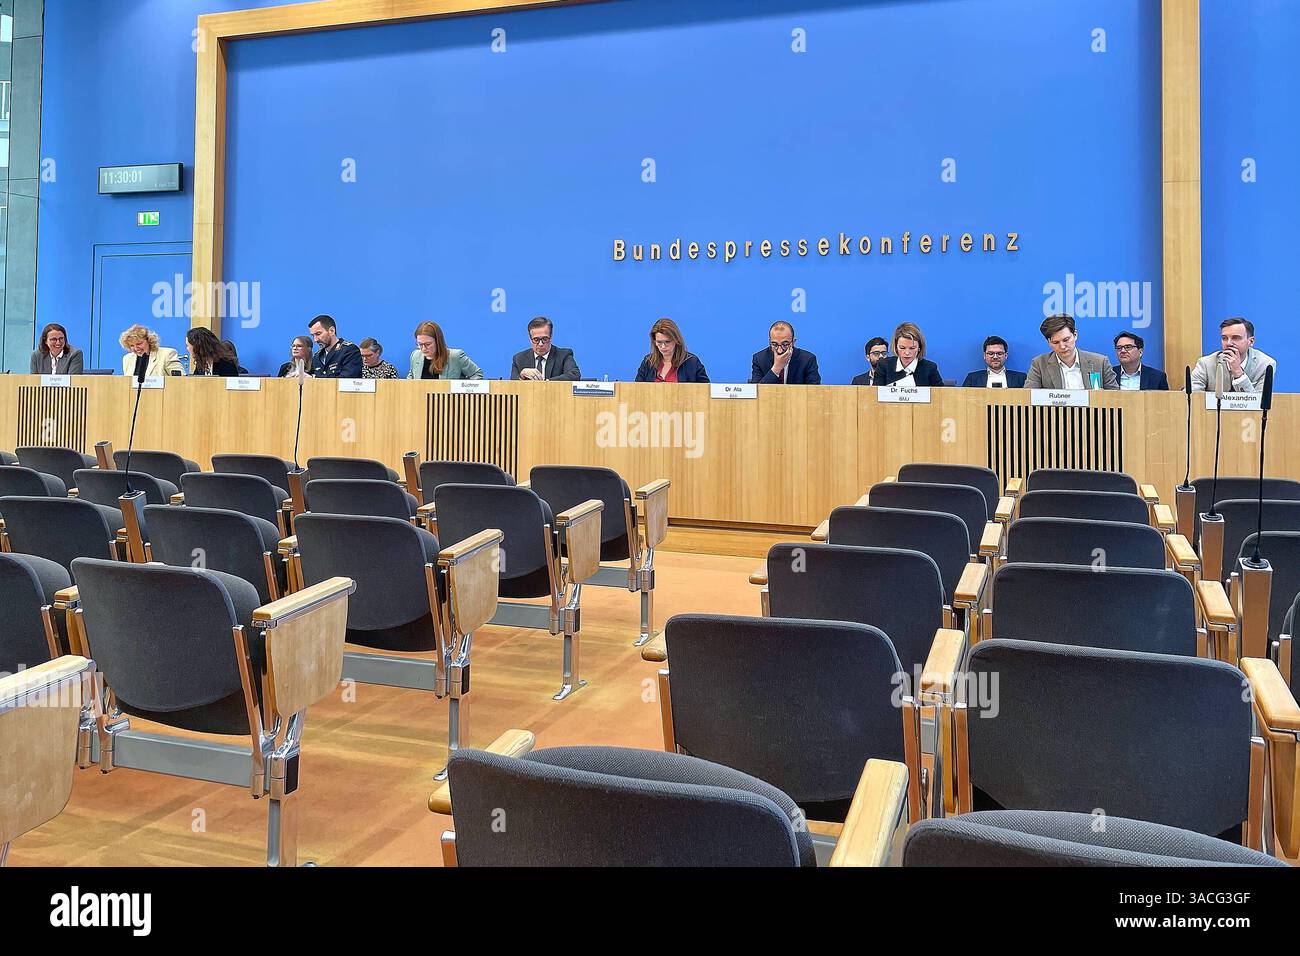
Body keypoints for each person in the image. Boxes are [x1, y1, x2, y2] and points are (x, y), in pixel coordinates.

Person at [1025, 314, 1118, 390]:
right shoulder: (1039, 364)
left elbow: (1116, 398)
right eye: (1055, 342)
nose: (1062, 346)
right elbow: (1028, 398)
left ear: (1075, 335)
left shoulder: (1100, 362)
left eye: (1066, 340)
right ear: (1048, 342)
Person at [1191, 317, 1277, 393]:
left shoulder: (1265, 365)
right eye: (1224, 338)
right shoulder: (1206, 364)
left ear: (1251, 341)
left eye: (1235, 338)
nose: (1228, 343)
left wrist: (1238, 372)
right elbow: (1191, 398)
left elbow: (1260, 406)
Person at [634, 318, 709, 383]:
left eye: (667, 342)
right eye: (659, 342)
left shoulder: (692, 362)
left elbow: (705, 391)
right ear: (654, 341)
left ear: (676, 340)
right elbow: (637, 390)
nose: (663, 346)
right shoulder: (648, 362)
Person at [749, 321, 821, 384]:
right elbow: (756, 392)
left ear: (793, 342)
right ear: (769, 342)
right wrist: (776, 368)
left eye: (785, 344)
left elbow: (814, 392)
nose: (780, 350)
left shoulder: (808, 360)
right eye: (775, 344)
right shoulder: (759, 359)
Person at [875, 322, 944, 387]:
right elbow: (874, 395)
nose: (907, 353)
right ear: (895, 347)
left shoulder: (930, 368)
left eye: (912, 348)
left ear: (919, 348)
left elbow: (941, 396)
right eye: (902, 348)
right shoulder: (884, 366)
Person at [510, 317, 581, 381]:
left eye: (545, 339)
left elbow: (574, 375)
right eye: (536, 339)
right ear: (530, 339)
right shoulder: (519, 358)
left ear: (551, 337)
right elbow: (511, 386)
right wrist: (521, 376)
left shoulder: (563, 355)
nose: (540, 344)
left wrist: (547, 383)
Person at [408, 322, 484, 380]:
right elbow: (409, 382)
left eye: (428, 344)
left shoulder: (456, 356)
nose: (423, 348)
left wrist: (463, 392)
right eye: (420, 344)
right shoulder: (415, 356)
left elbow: (477, 374)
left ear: (438, 341)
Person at [308, 314, 363, 379]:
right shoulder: (316, 356)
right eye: (313, 335)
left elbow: (347, 379)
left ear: (332, 331)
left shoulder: (349, 350)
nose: (315, 339)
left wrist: (314, 378)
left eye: (318, 334)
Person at [962, 335, 1026, 388]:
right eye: (991, 353)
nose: (995, 357)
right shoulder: (972, 378)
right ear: (984, 355)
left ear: (1006, 355)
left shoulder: (1021, 378)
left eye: (999, 353)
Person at [120, 324, 184, 376]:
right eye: (132, 345)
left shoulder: (167, 354)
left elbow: (181, 380)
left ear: (149, 340)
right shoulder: (127, 359)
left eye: (139, 344)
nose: (136, 348)